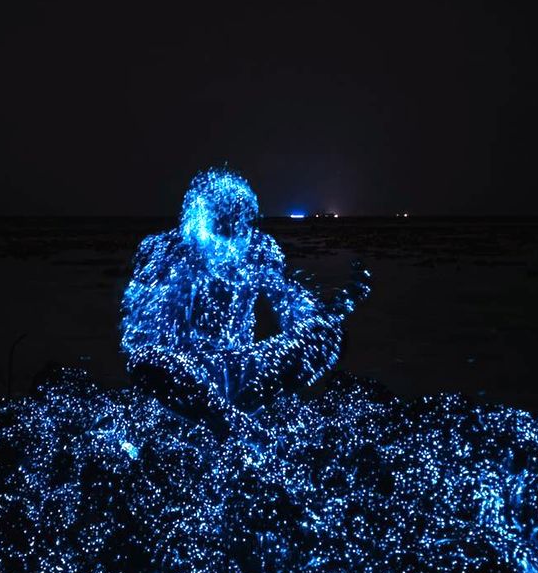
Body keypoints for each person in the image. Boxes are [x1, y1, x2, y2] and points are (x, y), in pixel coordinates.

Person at [121, 168, 369, 430]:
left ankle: (232, 416)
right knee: (145, 360)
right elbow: (137, 337)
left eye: (242, 224)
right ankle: (235, 423)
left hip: (242, 369)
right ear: (198, 218)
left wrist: (336, 309)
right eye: (224, 224)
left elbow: (292, 307)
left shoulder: (260, 249)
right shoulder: (165, 250)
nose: (235, 235)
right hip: (188, 373)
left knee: (325, 333)